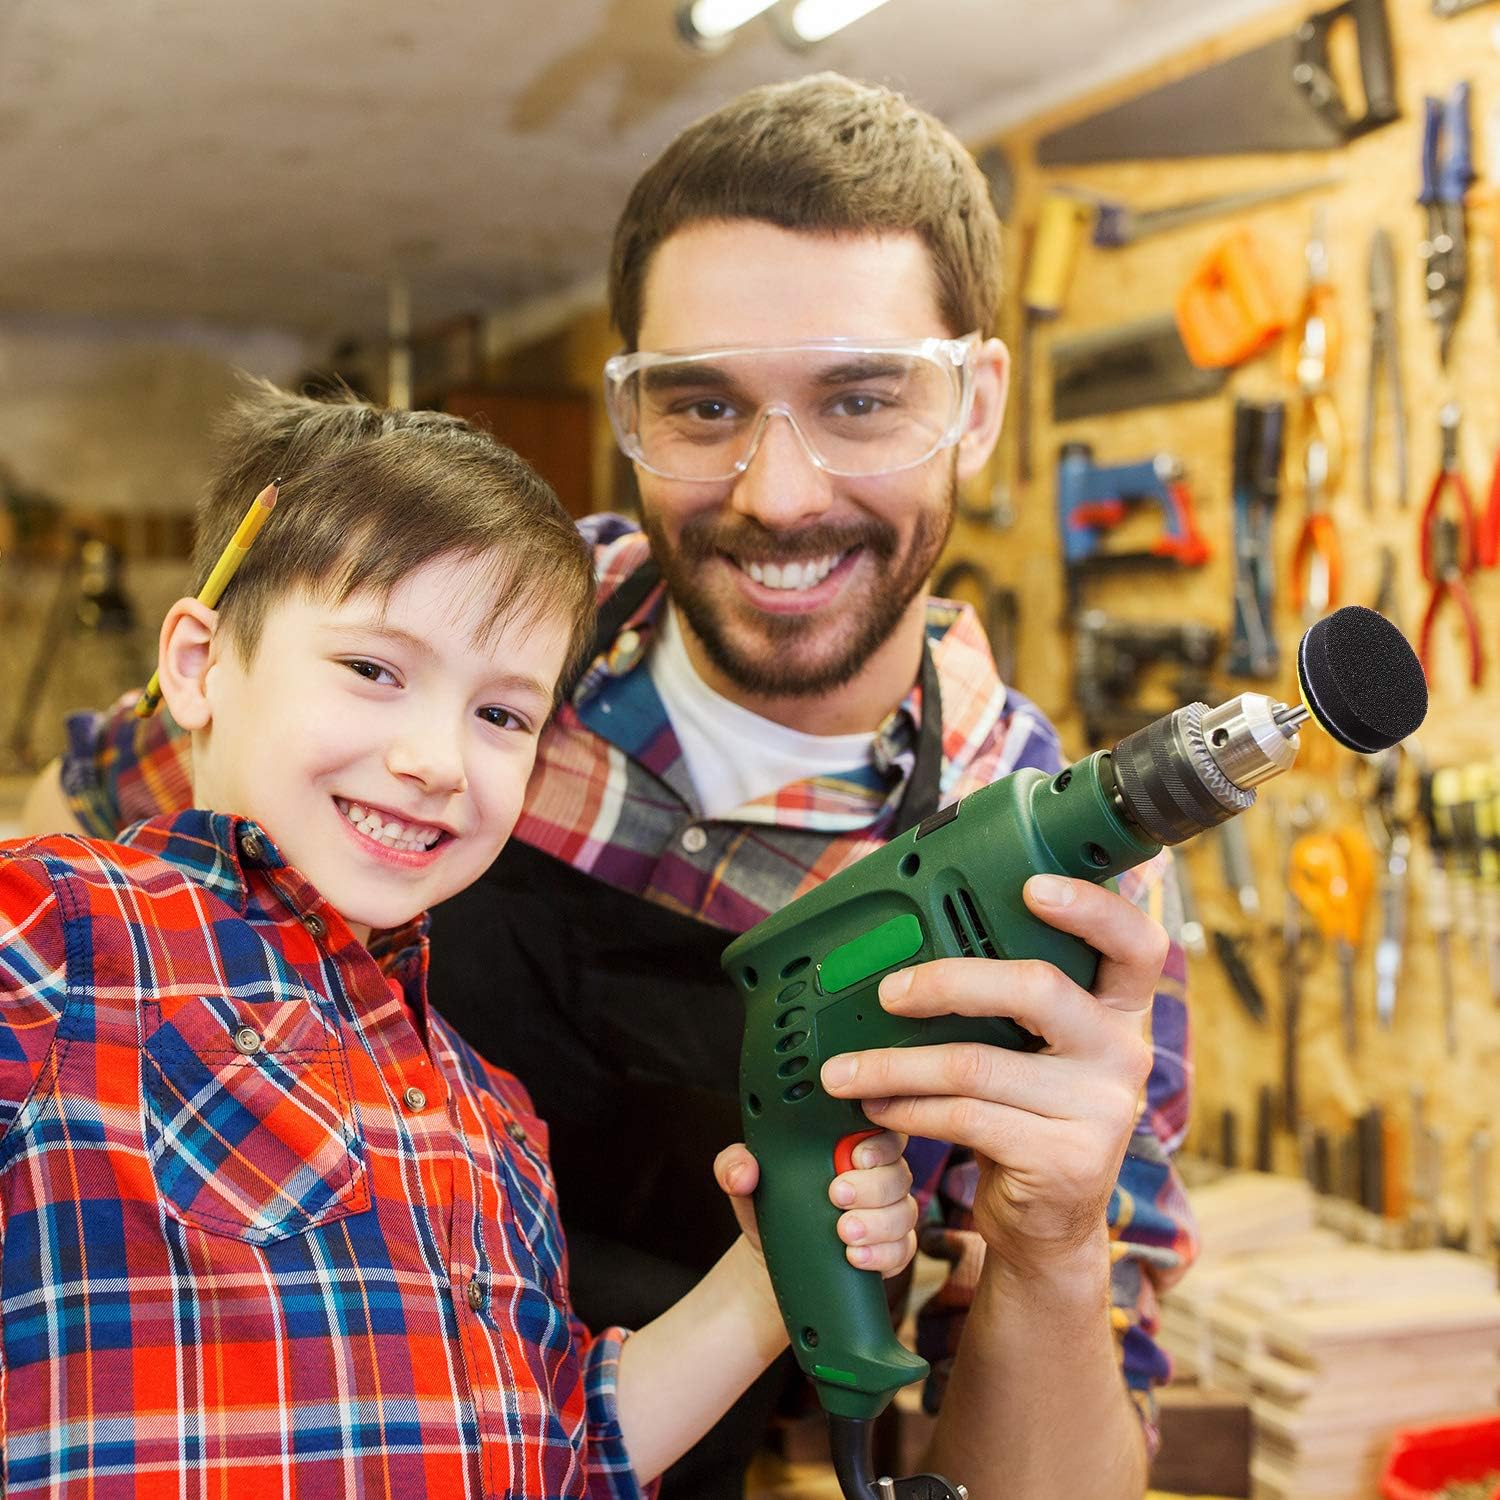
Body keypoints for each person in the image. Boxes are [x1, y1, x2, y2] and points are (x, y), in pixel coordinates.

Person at [24, 74, 1193, 1498]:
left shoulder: (1055, 886)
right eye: (704, 405)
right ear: (631, 401)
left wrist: (1054, 1253)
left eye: (861, 398)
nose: (776, 489)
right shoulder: (456, 616)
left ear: (977, 401)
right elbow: (75, 816)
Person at [0, 385, 921, 1496]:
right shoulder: (62, 932)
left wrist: (768, 1279)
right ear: (198, 666)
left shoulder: (495, 1120)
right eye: (374, 670)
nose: (438, 758)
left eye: (500, 716)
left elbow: (573, 1449)